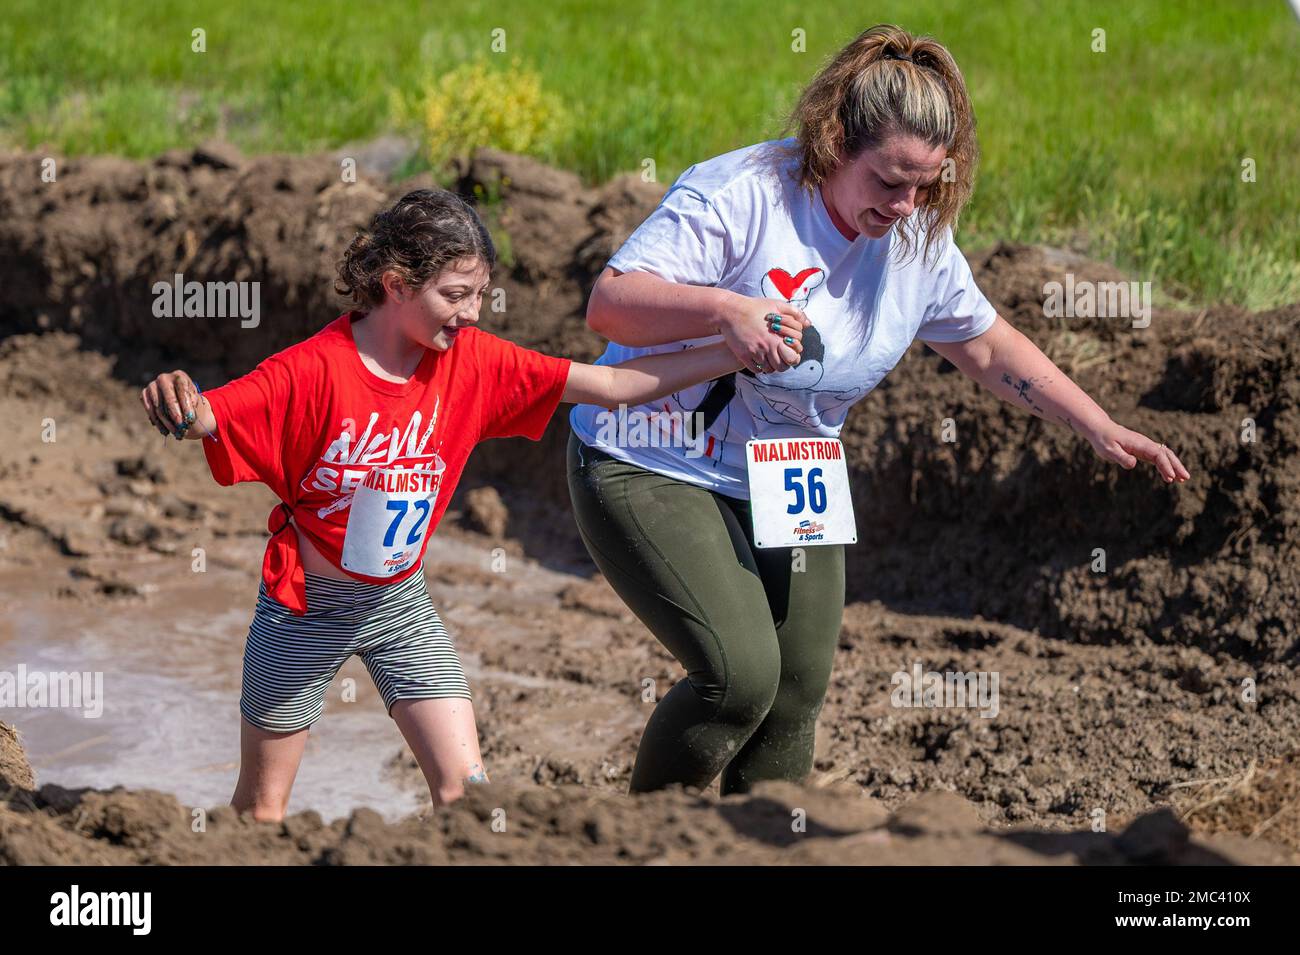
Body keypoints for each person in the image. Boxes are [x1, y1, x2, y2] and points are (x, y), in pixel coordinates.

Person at [566, 24, 1190, 795]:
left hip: (788, 470)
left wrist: (1097, 422)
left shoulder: (919, 240)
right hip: (652, 453)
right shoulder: (744, 194)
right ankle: (644, 842)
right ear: (834, 143)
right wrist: (726, 310)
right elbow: (611, 304)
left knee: (795, 692)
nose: (906, 204)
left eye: (925, 184)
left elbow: (989, 348)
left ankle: (766, 848)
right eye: (890, 180)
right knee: (739, 678)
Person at [139, 188, 786, 821]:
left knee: (469, 799)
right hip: (305, 609)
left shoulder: (473, 363)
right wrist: (177, 399)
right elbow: (208, 413)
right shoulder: (312, 371)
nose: (473, 312)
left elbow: (613, 385)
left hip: (400, 606)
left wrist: (733, 350)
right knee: (261, 810)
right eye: (455, 295)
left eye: (479, 294)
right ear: (394, 284)